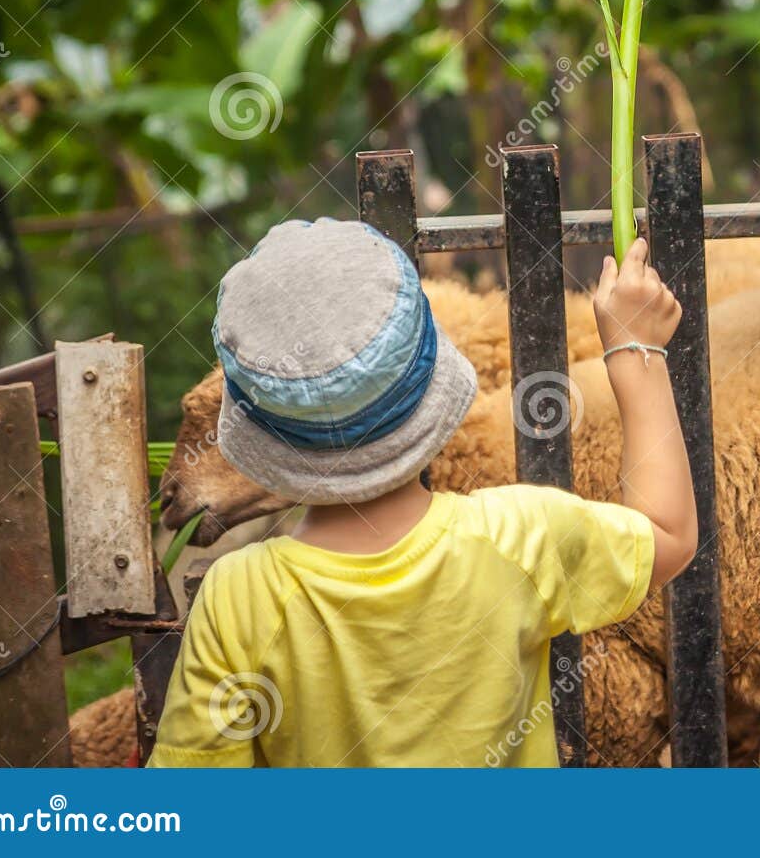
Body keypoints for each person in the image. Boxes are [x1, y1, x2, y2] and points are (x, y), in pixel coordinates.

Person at [149, 219, 696, 766]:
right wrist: (635, 350)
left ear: (260, 433)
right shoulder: (519, 537)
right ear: (429, 379)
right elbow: (669, 535)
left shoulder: (237, 598)